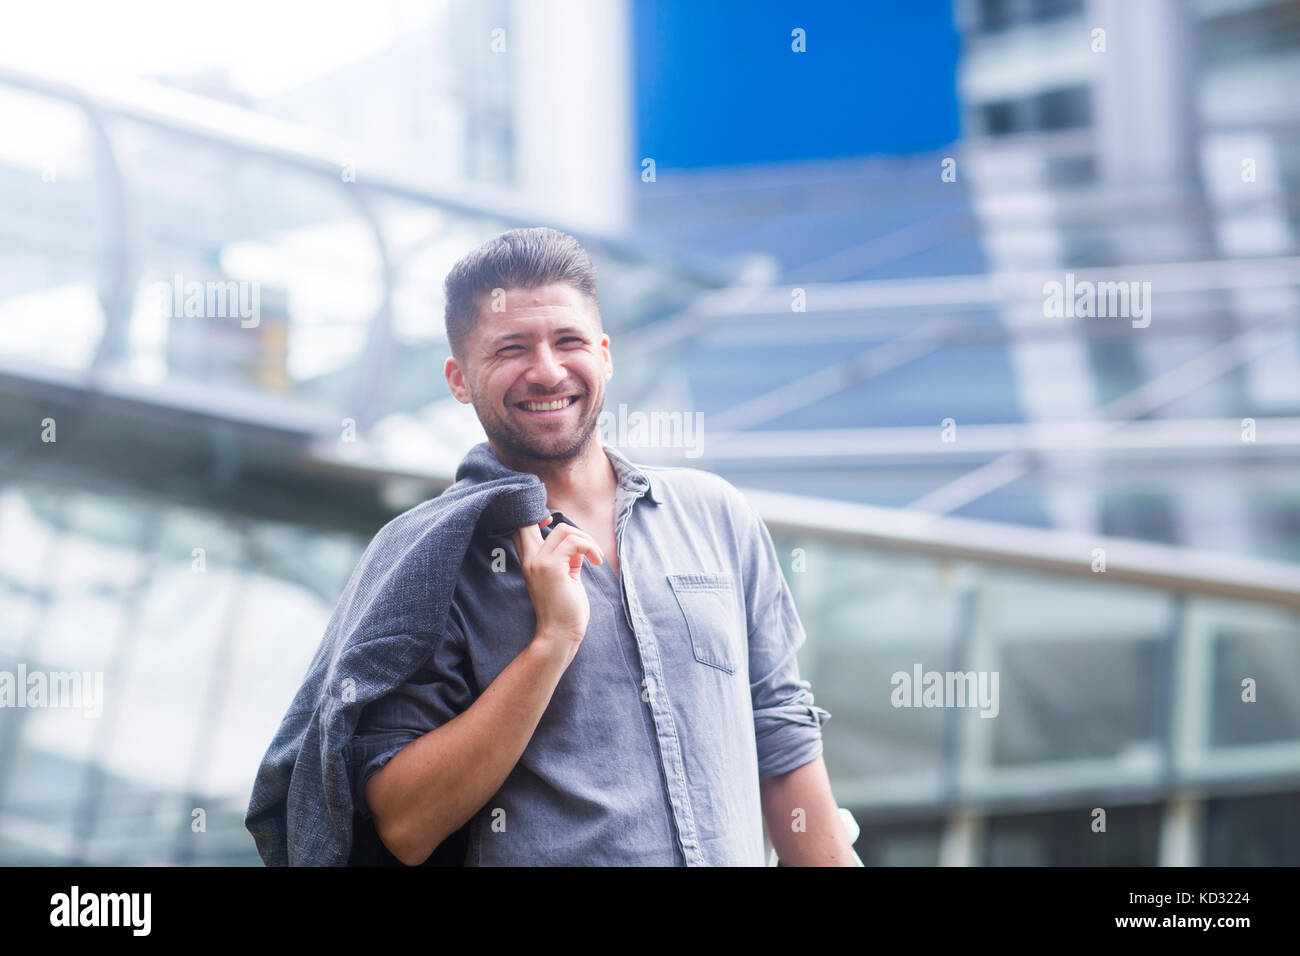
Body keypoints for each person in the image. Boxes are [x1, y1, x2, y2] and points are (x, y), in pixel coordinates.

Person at [349, 226, 854, 866]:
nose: (548, 370)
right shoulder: (429, 559)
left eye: (569, 342)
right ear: (458, 378)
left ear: (607, 355)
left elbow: (780, 733)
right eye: (510, 349)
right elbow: (404, 823)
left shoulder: (715, 515)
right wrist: (550, 644)